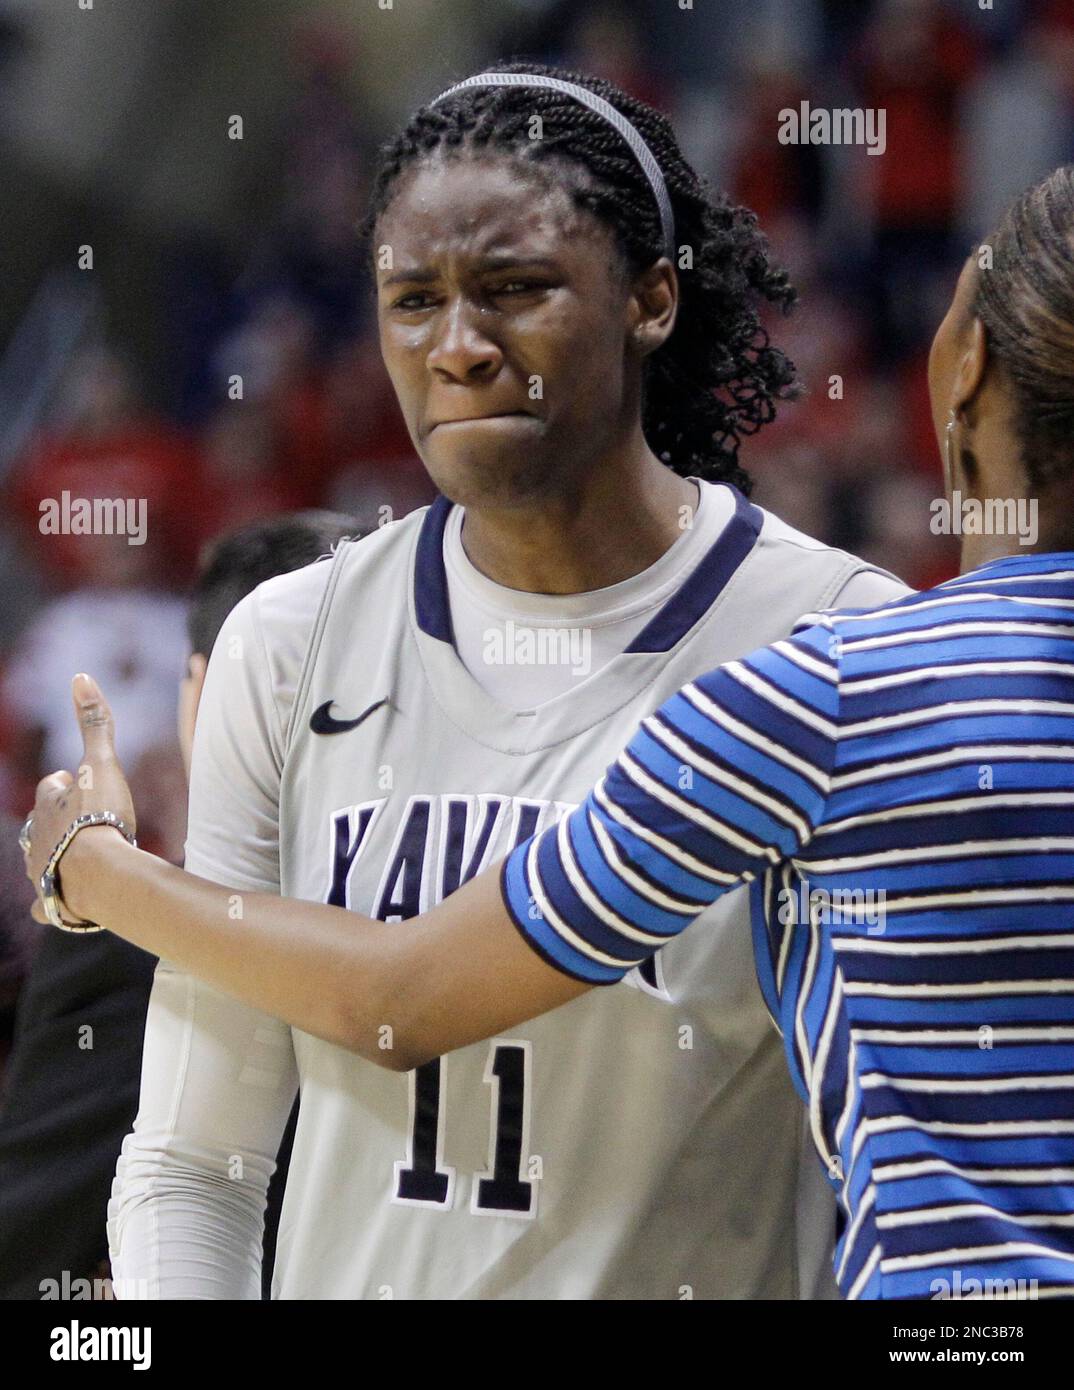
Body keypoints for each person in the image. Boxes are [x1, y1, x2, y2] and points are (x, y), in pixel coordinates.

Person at [24, 162, 1074, 1302]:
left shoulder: (833, 668)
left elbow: (400, 996)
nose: (462, 348)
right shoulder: (292, 637)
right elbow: (192, 1160)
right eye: (413, 298)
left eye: (517, 286)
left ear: (963, 364)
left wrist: (99, 872)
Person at [0, 511, 359, 1302]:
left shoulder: (123, 941)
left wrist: (99, 880)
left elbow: (28, 1267)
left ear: (197, 691)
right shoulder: (472, 909)